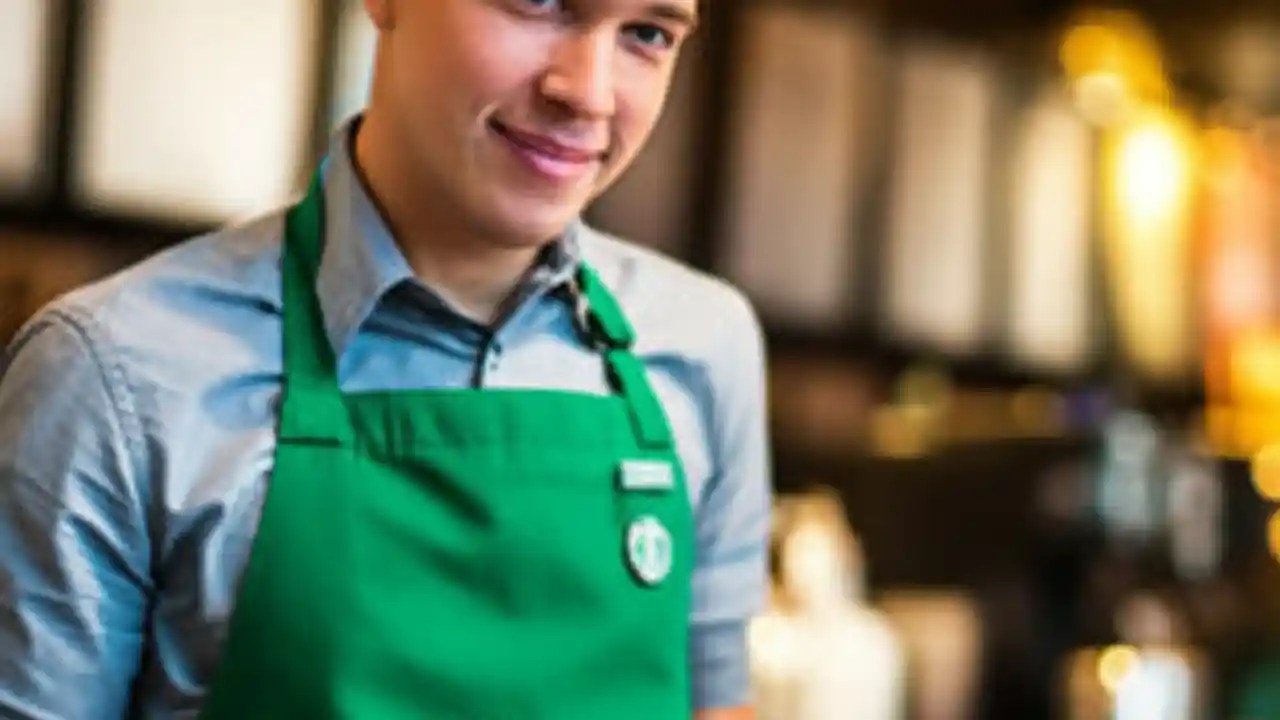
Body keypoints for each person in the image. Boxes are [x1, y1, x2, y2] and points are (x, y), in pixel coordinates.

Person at [0, 0, 771, 718]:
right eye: (539, 1)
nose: (589, 94)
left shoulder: (705, 345)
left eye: (648, 33)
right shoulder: (111, 375)